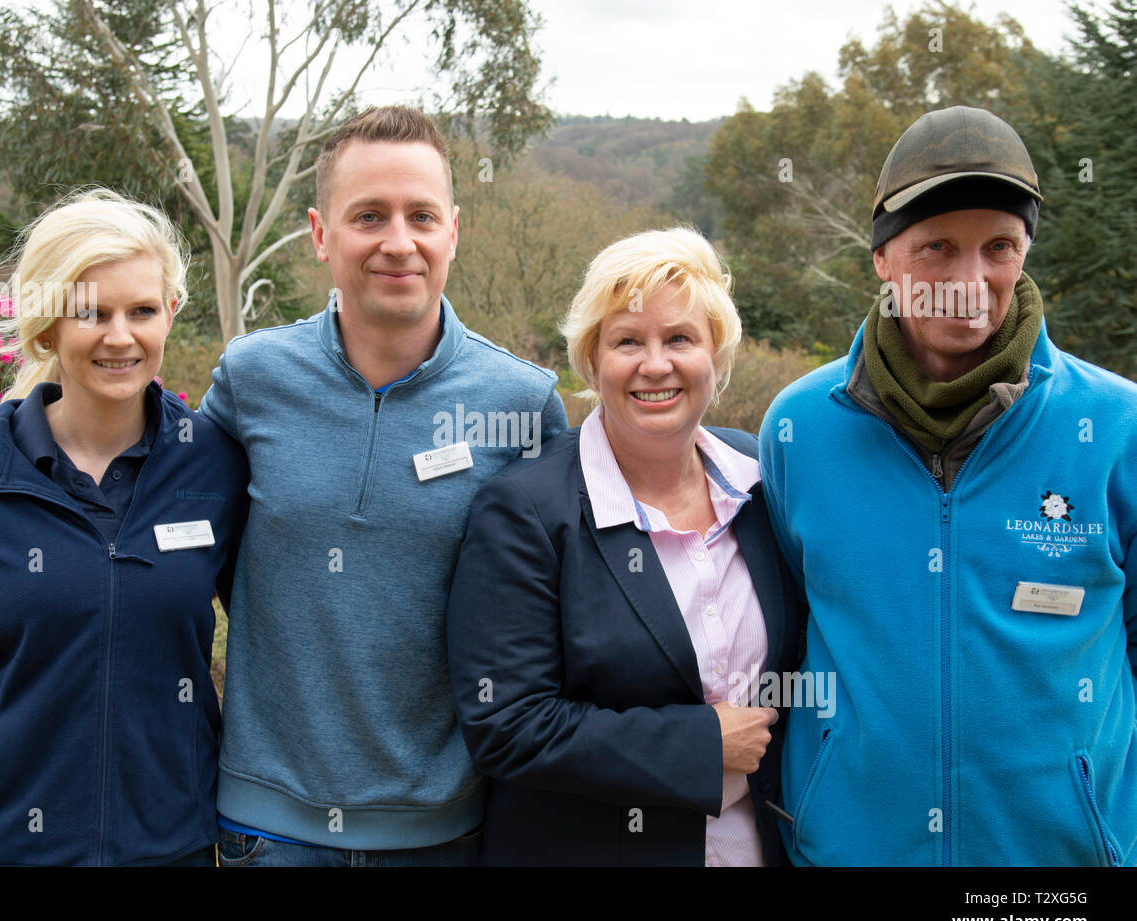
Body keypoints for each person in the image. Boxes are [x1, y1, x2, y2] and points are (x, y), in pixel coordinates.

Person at [760, 105, 1137, 866]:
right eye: (938, 247)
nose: (969, 281)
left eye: (999, 246)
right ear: (882, 259)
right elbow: (785, 635)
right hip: (853, 850)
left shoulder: (1116, 426)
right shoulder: (800, 428)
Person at [200, 105, 567, 866]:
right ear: (320, 232)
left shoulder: (521, 403)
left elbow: (559, 614)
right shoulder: (251, 380)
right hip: (270, 831)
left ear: (454, 232)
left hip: (443, 833)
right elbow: (184, 546)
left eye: (421, 216)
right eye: (369, 215)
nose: (398, 242)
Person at [0, 188, 249, 866]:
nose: (121, 336)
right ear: (47, 325)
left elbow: (269, 652)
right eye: (92, 313)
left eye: (142, 310)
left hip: (171, 852)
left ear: (169, 314)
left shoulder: (215, 465)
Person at [446, 227, 804, 866]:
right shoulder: (527, 510)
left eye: (681, 339)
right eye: (628, 341)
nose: (656, 364)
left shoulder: (759, 479)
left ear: (715, 356)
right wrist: (698, 745)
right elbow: (506, 726)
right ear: (592, 361)